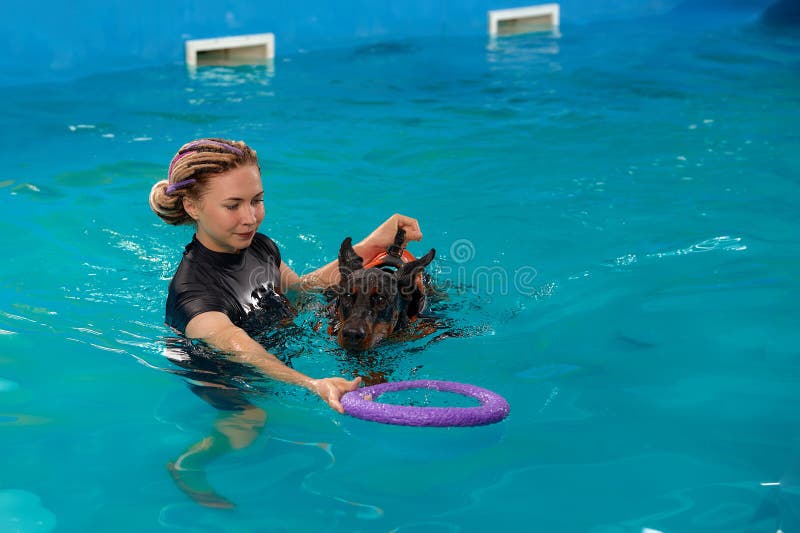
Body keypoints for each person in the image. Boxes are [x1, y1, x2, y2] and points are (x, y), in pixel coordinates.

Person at [149, 138, 423, 507]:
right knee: (250, 422)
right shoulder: (194, 294)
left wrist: (374, 244)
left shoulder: (258, 246)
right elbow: (238, 347)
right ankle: (190, 464)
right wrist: (312, 383)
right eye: (233, 205)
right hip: (217, 366)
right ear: (192, 205)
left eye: (256, 200)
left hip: (270, 340)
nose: (250, 217)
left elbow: (303, 290)